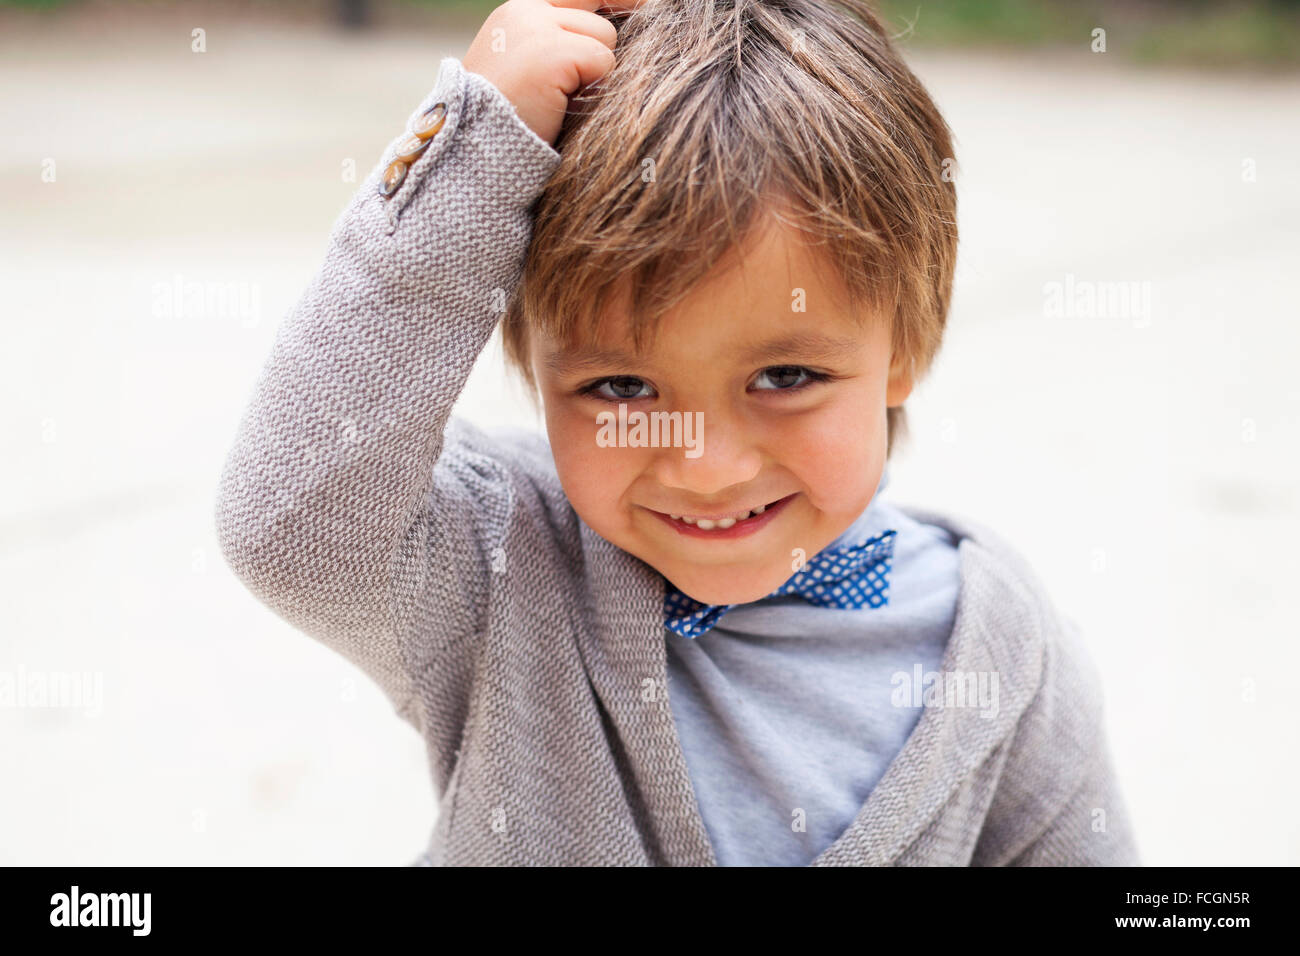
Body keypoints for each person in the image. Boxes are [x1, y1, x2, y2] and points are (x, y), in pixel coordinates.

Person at [215, 0, 1140, 866]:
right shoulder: (502, 562)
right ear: (537, 375)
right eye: (620, 386)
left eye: (785, 377)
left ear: (906, 349)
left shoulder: (1004, 653)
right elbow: (290, 525)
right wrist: (473, 153)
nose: (706, 466)